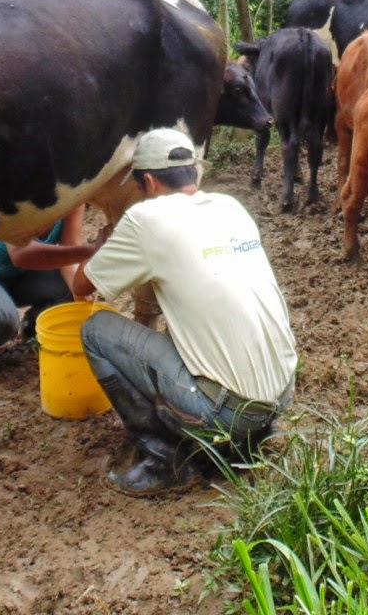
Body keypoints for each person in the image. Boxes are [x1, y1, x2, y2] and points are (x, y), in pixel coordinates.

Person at [72, 127, 299, 497]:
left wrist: (101, 248)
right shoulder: (231, 207)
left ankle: (166, 461)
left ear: (148, 182)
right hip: (281, 397)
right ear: (194, 172)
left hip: (227, 413)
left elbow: (82, 287)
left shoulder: (146, 219)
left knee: (97, 331)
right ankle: (251, 439)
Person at [0, 203, 95, 372]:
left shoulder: (74, 197)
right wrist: (91, 250)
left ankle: (33, 328)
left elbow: (70, 247)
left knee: (77, 285)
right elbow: (21, 255)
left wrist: (81, 294)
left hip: (20, 274)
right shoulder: (16, 194)